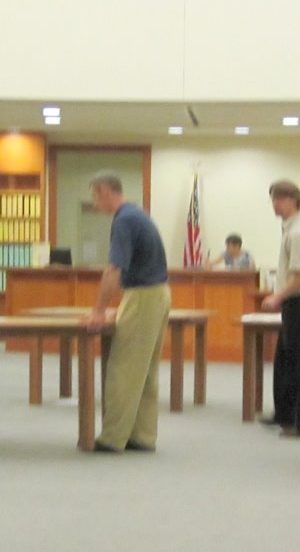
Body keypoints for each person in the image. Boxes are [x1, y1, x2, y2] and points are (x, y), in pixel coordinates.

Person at [81, 172, 170, 454]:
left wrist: (98, 311)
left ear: (107, 192)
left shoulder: (124, 220)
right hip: (157, 294)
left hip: (143, 296)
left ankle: (112, 438)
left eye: (96, 195)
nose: (95, 203)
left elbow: (114, 270)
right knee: (143, 371)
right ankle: (142, 435)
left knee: (122, 369)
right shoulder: (137, 214)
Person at [260, 180, 300, 438]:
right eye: (273, 198)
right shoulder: (291, 229)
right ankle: (285, 414)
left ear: (292, 200)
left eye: (278, 199)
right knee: (285, 361)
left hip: (299, 303)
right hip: (293, 303)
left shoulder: (298, 233)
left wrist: (277, 296)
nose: (274, 204)